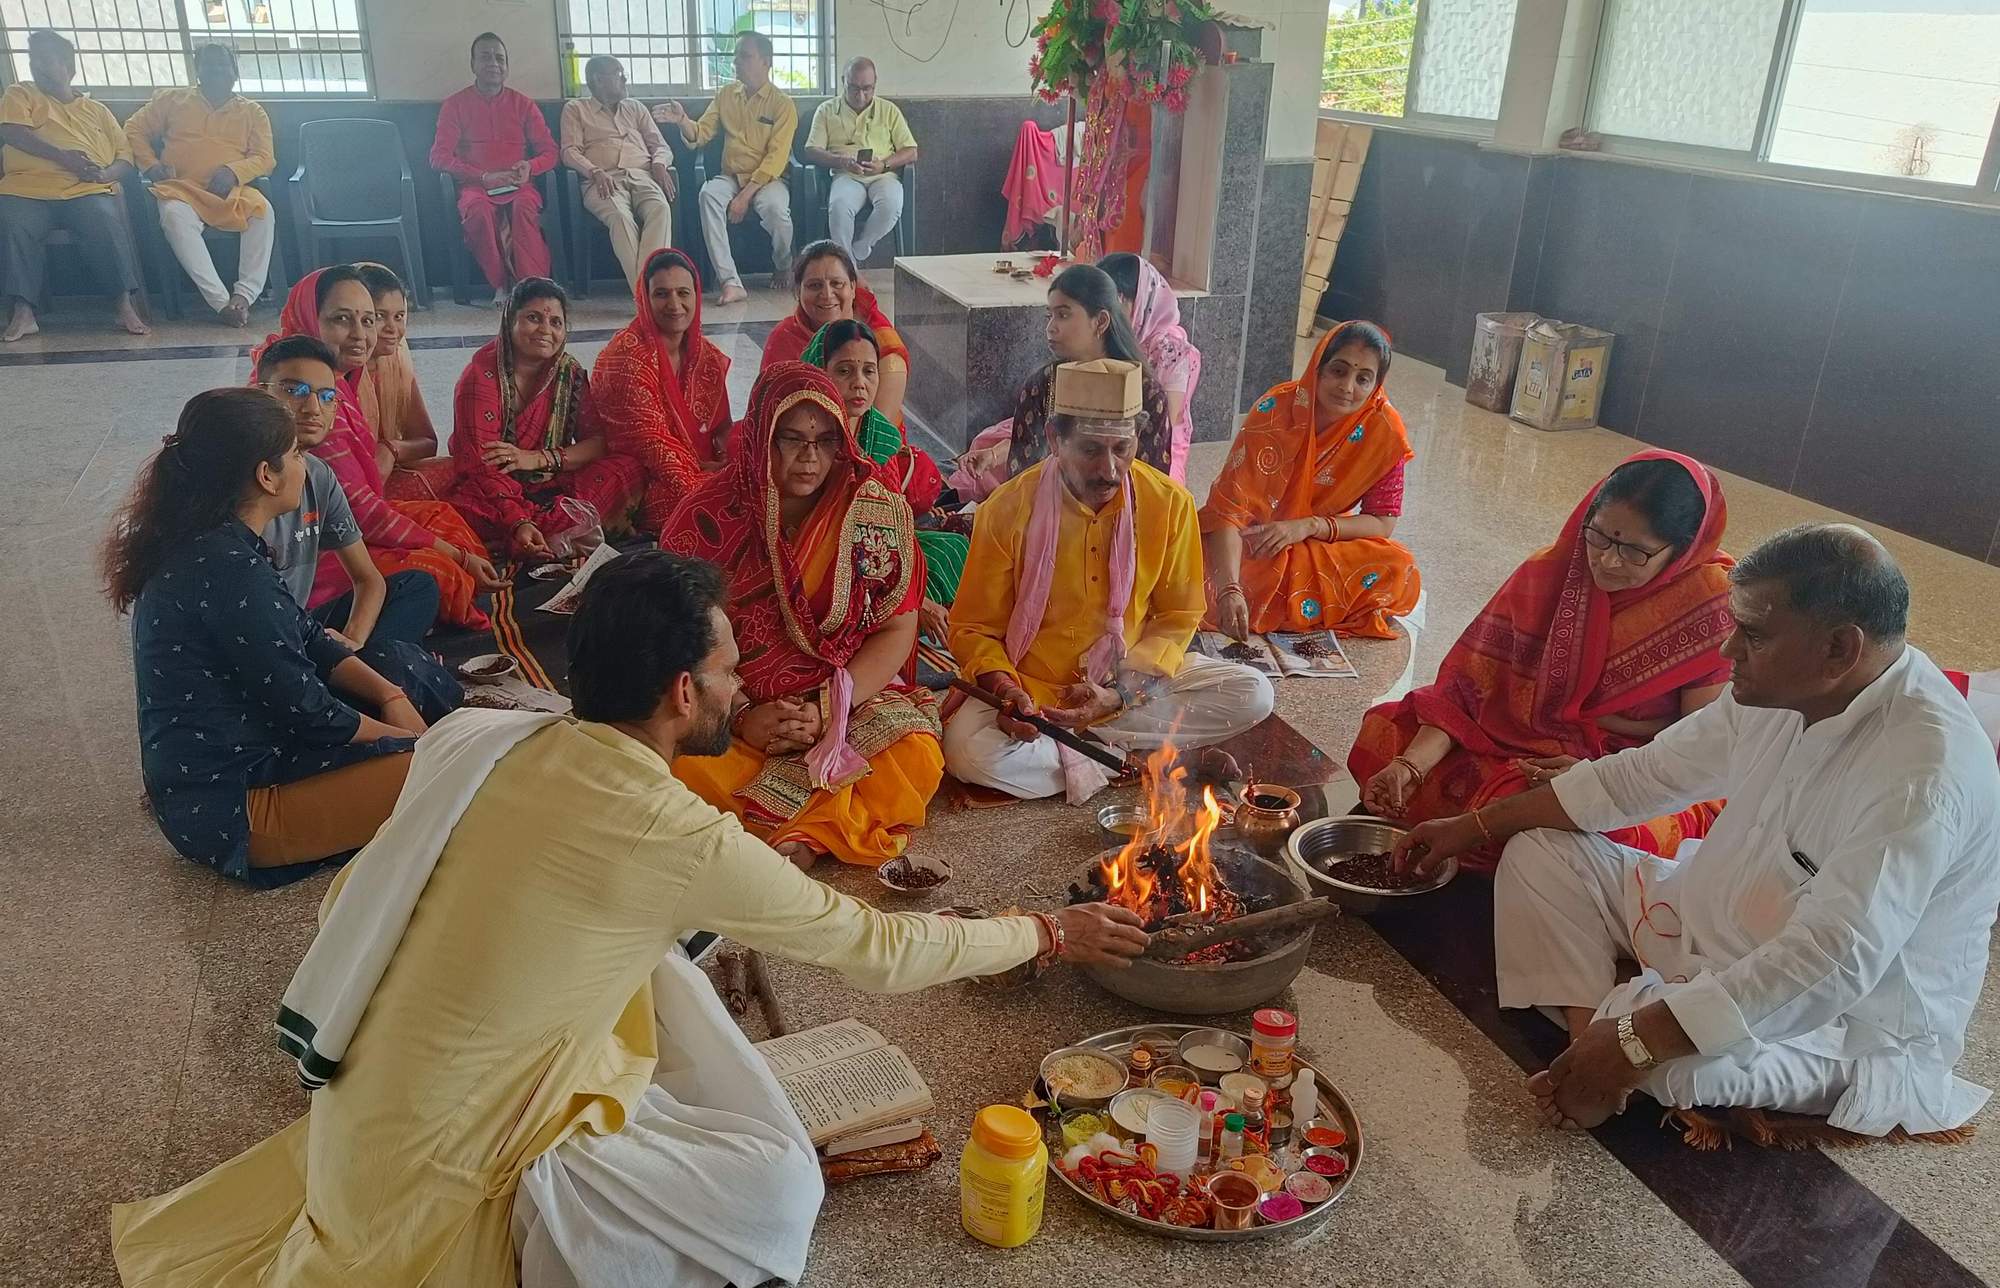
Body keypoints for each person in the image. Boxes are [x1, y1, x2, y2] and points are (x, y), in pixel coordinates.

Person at [109, 548, 1151, 1285]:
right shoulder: (666, 827)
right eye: (731, 669)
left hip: (367, 1110)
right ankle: (539, 1212)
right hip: (433, 1166)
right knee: (778, 1194)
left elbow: (366, 897)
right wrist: (1045, 931)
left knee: (668, 953)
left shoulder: (496, 737)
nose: (744, 683)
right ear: (680, 691)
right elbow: (874, 947)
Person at [1393, 524, 2000, 1139]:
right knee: (1539, 851)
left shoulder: (1923, 777)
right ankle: (1593, 1046)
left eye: (1754, 635)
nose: (1727, 651)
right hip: (1700, 915)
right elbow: (1644, 777)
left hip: (1840, 1017)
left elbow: (1830, 962)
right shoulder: (1778, 689)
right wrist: (1474, 825)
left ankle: (1620, 1048)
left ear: (1839, 649)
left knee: (1681, 1070)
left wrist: (1645, 1039)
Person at [102, 389, 456, 885]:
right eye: (296, 454)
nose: (304, 464)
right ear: (266, 475)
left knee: (396, 668)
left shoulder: (221, 543)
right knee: (454, 778)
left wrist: (389, 696)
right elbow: (310, 711)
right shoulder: (227, 570)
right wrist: (416, 741)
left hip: (249, 757)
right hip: (231, 810)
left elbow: (309, 635)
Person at [1348, 452, 1734, 873]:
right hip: (1515, 743)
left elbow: (1701, 745)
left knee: (1586, 828)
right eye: (1599, 536)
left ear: (1682, 551)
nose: (1606, 561)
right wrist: (1411, 766)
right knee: (1381, 735)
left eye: (1635, 552)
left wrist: (1597, 777)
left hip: (1638, 769)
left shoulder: (1710, 606)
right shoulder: (1547, 574)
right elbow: (1465, 693)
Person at [944, 363, 1274, 804]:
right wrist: (1008, 694)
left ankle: (1093, 751)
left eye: (1123, 448)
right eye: (1090, 450)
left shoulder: (1168, 504)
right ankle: (1133, 753)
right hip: (1036, 691)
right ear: (1054, 440)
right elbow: (973, 629)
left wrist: (1118, 693)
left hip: (1131, 686)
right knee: (966, 752)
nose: (1110, 470)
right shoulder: (1006, 509)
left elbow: (1179, 616)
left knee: (1253, 693)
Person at [662, 363, 938, 869]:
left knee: (916, 751)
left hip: (843, 700)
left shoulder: (873, 509)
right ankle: (819, 828)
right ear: (761, 438)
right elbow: (679, 633)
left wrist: (830, 710)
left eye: (826, 441)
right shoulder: (707, 515)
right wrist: (743, 715)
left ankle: (795, 836)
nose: (811, 459)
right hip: (733, 701)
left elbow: (898, 627)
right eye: (791, 439)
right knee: (687, 761)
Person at [252, 267, 504, 630]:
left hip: (344, 522)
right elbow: (359, 514)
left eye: (367, 320)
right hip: (314, 553)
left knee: (445, 519)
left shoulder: (340, 381)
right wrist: (458, 558)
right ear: (309, 316)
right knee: (437, 573)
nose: (361, 335)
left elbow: (421, 444)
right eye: (341, 319)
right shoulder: (308, 403)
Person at [255, 334, 454, 705]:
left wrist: (354, 641)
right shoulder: (244, 485)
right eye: (294, 390)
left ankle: (378, 673)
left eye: (328, 396)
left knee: (417, 586)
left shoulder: (317, 473)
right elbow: (255, 631)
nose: (313, 408)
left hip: (306, 626)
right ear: (260, 391)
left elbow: (368, 579)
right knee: (394, 679)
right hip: (267, 648)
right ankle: (384, 680)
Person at [1200, 320, 1419, 640]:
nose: (1347, 387)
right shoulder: (1276, 410)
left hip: (1314, 543)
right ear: (1318, 366)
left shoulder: (1384, 430)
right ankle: (1279, 605)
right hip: (1254, 541)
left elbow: (1382, 523)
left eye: (1363, 379)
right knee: (1185, 570)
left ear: (1376, 385)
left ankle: (1282, 603)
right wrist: (1229, 589)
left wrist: (1309, 526)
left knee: (1397, 567)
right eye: (1339, 371)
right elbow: (1228, 512)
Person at [447, 277, 644, 559]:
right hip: (494, 489)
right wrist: (519, 520)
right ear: (509, 322)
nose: (545, 330)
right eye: (533, 318)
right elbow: (481, 467)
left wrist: (537, 458)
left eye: (556, 323)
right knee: (471, 508)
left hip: (552, 482)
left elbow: (597, 442)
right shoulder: (480, 378)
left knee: (627, 468)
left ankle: (544, 537)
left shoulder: (569, 373)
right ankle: (542, 534)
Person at [949, 264, 1171, 499]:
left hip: (1124, 524)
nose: (1050, 328)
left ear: (1101, 321)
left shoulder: (1146, 394)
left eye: (1063, 315)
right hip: (1048, 519)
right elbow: (1023, 477)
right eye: (1050, 316)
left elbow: (1151, 489)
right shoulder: (1042, 386)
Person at [802, 317, 961, 636]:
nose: (859, 383)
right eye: (844, 371)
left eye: (869, 371)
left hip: (873, 545)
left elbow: (894, 522)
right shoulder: (804, 431)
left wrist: (914, 591)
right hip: (812, 552)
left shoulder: (882, 435)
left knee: (953, 550)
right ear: (820, 371)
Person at [0, 28, 147, 341]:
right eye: (33, 60)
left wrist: (106, 175)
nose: (37, 66)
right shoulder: (20, 93)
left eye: (46, 60)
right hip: (28, 189)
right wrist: (64, 157)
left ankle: (123, 307)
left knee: (104, 221)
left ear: (69, 67)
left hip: (86, 189)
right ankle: (23, 313)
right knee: (14, 226)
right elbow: (12, 132)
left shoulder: (98, 110)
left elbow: (125, 157)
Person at [124, 43, 274, 327]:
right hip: (182, 189)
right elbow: (133, 129)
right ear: (198, 71)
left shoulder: (253, 112)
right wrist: (151, 165)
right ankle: (221, 304)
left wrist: (234, 171)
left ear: (235, 72)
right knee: (173, 216)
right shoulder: (171, 101)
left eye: (223, 65)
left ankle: (243, 296)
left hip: (233, 192)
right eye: (210, 65)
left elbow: (265, 158)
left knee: (264, 213)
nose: (217, 71)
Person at [594, 247, 733, 536]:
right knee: (687, 507)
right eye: (661, 294)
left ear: (696, 295)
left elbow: (722, 429)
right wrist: (700, 489)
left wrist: (724, 466)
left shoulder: (705, 356)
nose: (674, 304)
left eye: (683, 292)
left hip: (698, 465)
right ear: (644, 299)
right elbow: (651, 444)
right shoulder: (627, 356)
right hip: (646, 474)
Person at [652, 32, 796, 305]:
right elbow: (701, 133)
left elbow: (777, 158)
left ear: (765, 61)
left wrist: (745, 197)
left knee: (776, 210)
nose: (736, 62)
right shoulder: (727, 95)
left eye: (745, 56)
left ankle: (783, 262)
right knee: (709, 195)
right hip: (731, 176)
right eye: (736, 56)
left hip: (769, 180)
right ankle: (730, 281)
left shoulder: (782, 104)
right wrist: (682, 119)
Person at [430, 32, 557, 304]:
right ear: (473, 64)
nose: (493, 63)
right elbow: (439, 157)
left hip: (519, 185)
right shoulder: (455, 105)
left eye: (500, 58)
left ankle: (531, 288)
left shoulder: (524, 104)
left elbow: (550, 152)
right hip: (476, 187)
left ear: (507, 67)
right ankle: (501, 284)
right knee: (477, 212)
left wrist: (530, 167)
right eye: (485, 57)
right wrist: (482, 176)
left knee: (524, 208)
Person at [560, 54, 677, 291]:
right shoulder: (576, 109)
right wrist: (594, 171)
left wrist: (659, 164)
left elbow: (661, 146)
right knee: (620, 218)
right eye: (619, 74)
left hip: (643, 175)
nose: (625, 79)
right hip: (603, 181)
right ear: (599, 80)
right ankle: (648, 295)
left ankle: (647, 293)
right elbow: (569, 151)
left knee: (661, 209)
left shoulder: (636, 108)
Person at [760, 239, 909, 424]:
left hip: (869, 447)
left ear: (853, 287)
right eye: (815, 285)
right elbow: (767, 412)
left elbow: (879, 431)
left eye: (837, 283)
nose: (827, 295)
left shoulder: (883, 342)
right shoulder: (785, 336)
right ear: (798, 290)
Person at [801, 57, 917, 265]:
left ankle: (860, 247)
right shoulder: (826, 110)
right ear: (843, 80)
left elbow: (911, 151)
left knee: (891, 204)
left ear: (875, 84)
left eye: (867, 88)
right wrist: (841, 161)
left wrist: (884, 164)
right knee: (839, 207)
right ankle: (848, 271)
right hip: (846, 175)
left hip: (882, 175)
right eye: (854, 88)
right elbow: (811, 150)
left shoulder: (889, 110)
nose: (861, 95)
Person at [352, 262, 451, 501]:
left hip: (385, 474)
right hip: (343, 489)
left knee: (463, 472)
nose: (392, 329)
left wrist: (390, 449)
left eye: (399, 316)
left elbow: (427, 442)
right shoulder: (337, 370)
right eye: (379, 317)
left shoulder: (395, 361)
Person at [1099, 252, 1199, 480]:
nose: (1105, 314)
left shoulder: (1169, 348)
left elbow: (1165, 421)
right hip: (1114, 437)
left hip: (1156, 452)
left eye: (1114, 301)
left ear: (1140, 300)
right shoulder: (1120, 336)